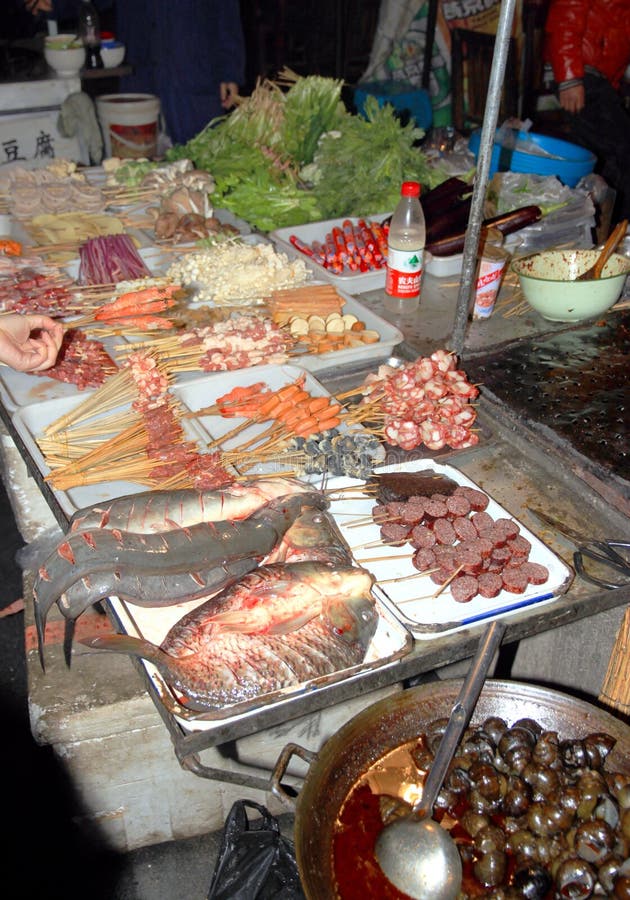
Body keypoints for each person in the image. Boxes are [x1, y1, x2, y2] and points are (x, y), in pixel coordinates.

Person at [544, 0, 630, 224]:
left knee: (600, 154)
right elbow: (566, 14)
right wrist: (569, 77)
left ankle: (600, 227)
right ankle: (617, 230)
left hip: (598, 76)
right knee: (622, 149)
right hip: (581, 72)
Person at [115, 0, 246, 146]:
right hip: (139, 72)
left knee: (202, 154)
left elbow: (227, 10)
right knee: (137, 160)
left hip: (193, 69)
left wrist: (230, 69)